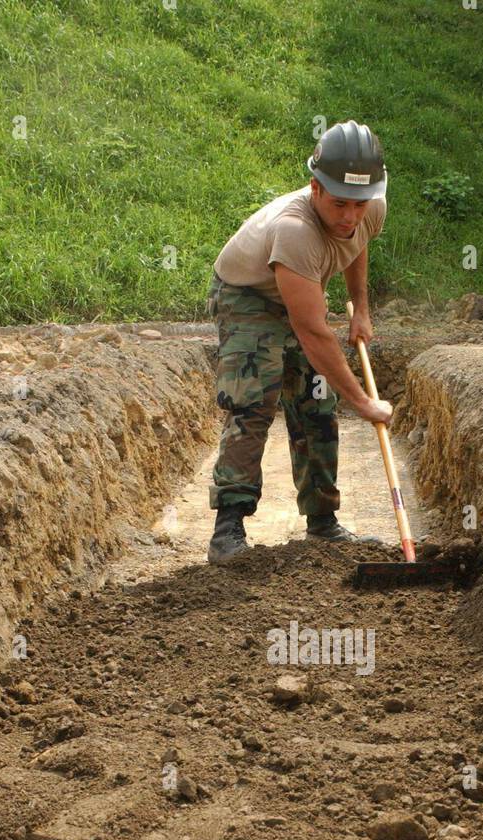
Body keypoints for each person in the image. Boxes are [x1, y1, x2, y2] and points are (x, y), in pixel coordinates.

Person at [205, 120, 394, 564]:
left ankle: (322, 523)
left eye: (359, 204)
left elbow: (356, 244)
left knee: (316, 401)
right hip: (249, 296)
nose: (349, 216)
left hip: (299, 287)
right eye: (339, 203)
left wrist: (360, 308)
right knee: (254, 400)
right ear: (315, 188)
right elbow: (312, 332)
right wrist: (365, 402)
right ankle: (227, 529)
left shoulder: (371, 208)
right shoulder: (295, 230)